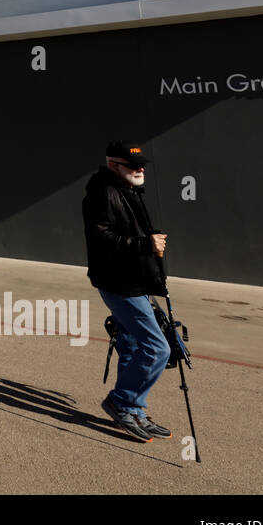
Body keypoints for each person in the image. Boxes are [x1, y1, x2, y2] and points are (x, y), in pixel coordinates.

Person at [83, 140, 173, 443]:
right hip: (119, 282)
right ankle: (121, 402)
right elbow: (101, 239)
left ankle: (134, 410)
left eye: (142, 164)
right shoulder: (104, 193)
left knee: (133, 346)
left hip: (131, 279)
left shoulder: (127, 190)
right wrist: (146, 244)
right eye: (133, 165)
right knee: (157, 348)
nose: (140, 169)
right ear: (113, 165)